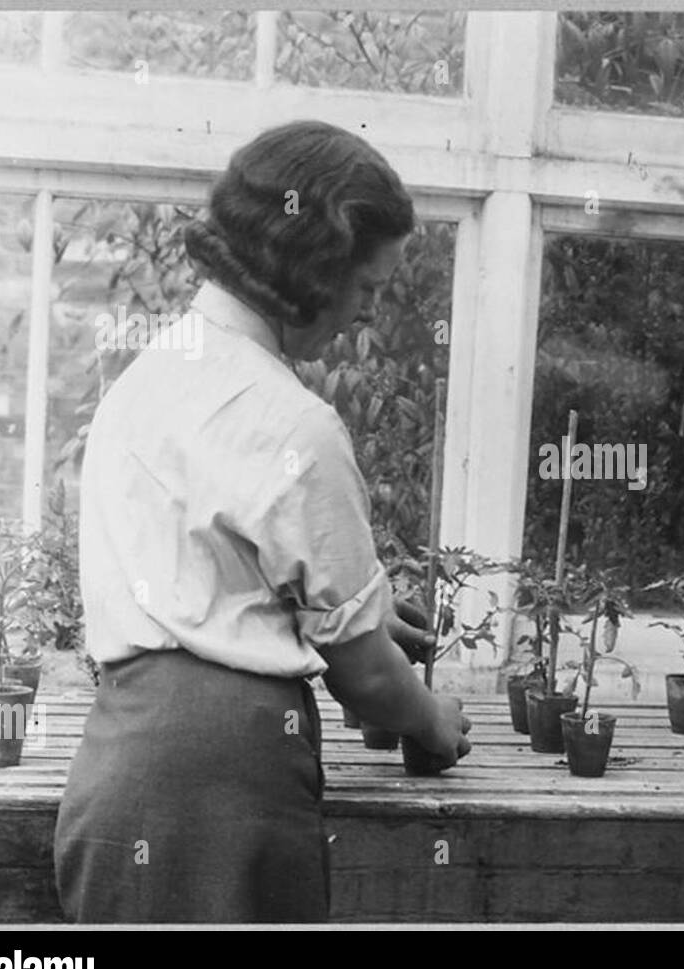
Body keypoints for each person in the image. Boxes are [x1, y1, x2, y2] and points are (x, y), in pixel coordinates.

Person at [54, 121, 471, 923]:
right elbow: (369, 678)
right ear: (314, 268)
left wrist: (360, 618)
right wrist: (434, 718)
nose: (364, 314)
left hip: (117, 780)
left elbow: (209, 576)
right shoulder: (293, 423)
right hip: (223, 793)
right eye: (367, 287)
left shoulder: (146, 378)